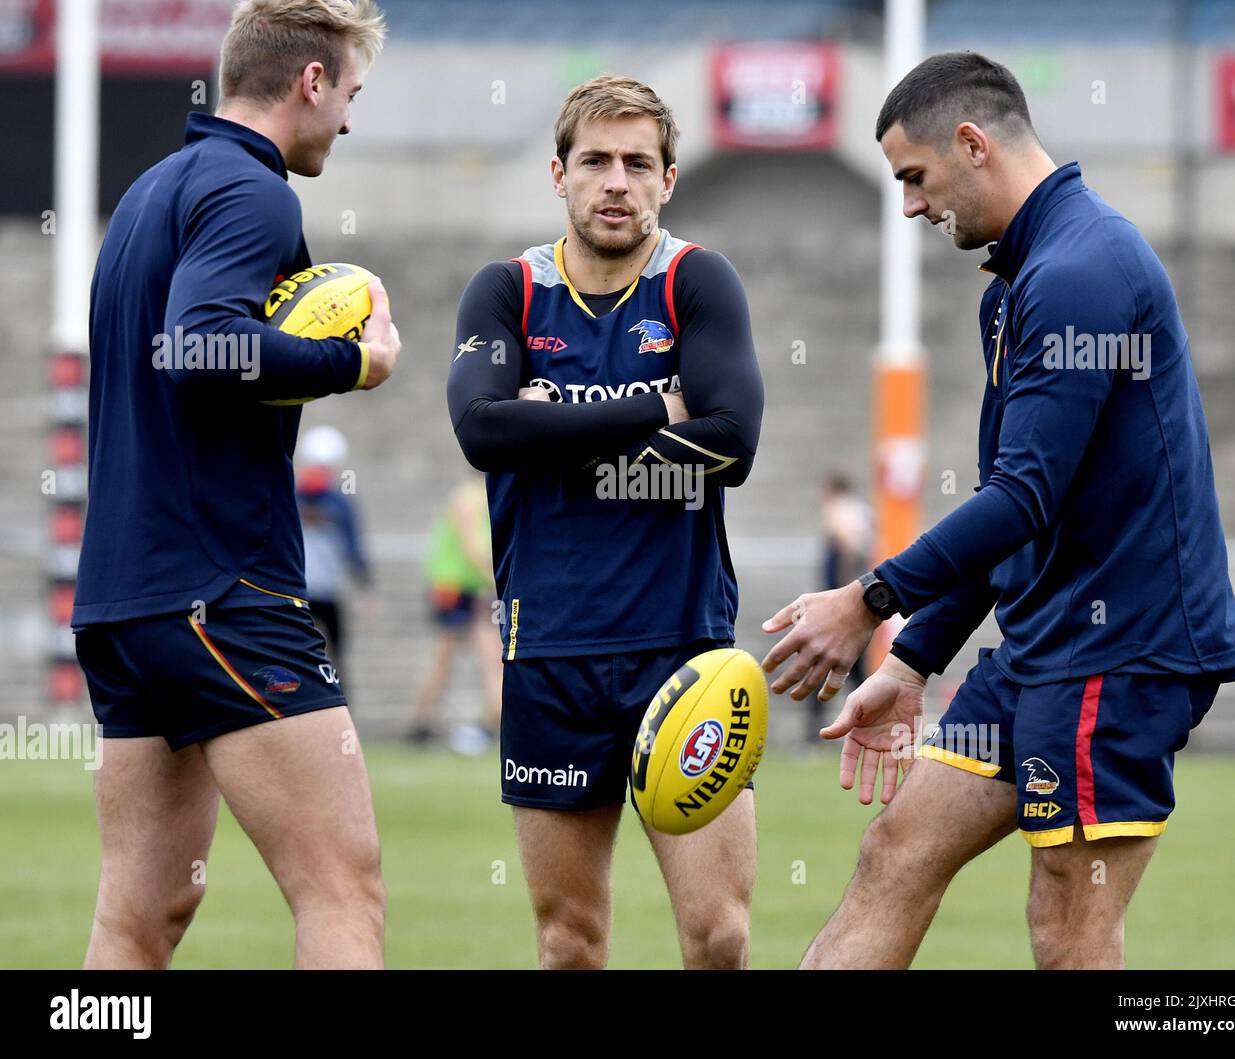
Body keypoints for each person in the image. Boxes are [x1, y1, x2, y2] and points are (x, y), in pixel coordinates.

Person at [761, 51, 1235, 970]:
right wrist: (911, 659)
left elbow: (1020, 496)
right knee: (895, 852)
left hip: (1122, 651)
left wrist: (866, 598)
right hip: (1040, 646)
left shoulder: (1082, 269)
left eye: (915, 176)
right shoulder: (1025, 283)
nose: (910, 205)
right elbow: (1015, 516)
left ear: (973, 143)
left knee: (1067, 932)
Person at [71, 0, 399, 969]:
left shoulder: (147, 195)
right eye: (347, 93)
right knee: (343, 889)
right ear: (309, 81)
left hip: (125, 605)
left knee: (139, 917)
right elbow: (199, 346)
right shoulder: (255, 194)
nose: (348, 120)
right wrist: (351, 365)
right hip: (223, 594)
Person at [447, 75, 764, 969]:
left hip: (685, 654)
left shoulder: (697, 282)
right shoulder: (504, 291)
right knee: (570, 944)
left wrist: (549, 428)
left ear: (668, 178)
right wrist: (651, 408)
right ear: (560, 175)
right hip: (549, 652)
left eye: (637, 163)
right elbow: (482, 431)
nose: (616, 181)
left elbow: (733, 442)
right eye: (595, 161)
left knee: (721, 937)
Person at [407, 472, 501, 751]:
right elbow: (473, 547)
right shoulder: (470, 496)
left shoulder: (477, 495)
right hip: (455, 586)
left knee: (485, 658)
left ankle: (427, 724)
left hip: (467, 586)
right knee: (449, 657)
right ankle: (422, 723)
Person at [296, 424, 375, 672]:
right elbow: (353, 547)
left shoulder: (291, 494)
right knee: (335, 656)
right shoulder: (340, 501)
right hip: (320, 591)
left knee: (306, 653)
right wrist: (365, 587)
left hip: (300, 591)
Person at [807, 471, 875, 742]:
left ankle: (815, 737)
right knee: (857, 671)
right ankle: (868, 723)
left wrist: (846, 590)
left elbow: (848, 545)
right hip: (857, 603)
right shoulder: (862, 511)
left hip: (839, 607)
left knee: (819, 666)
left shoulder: (838, 509)